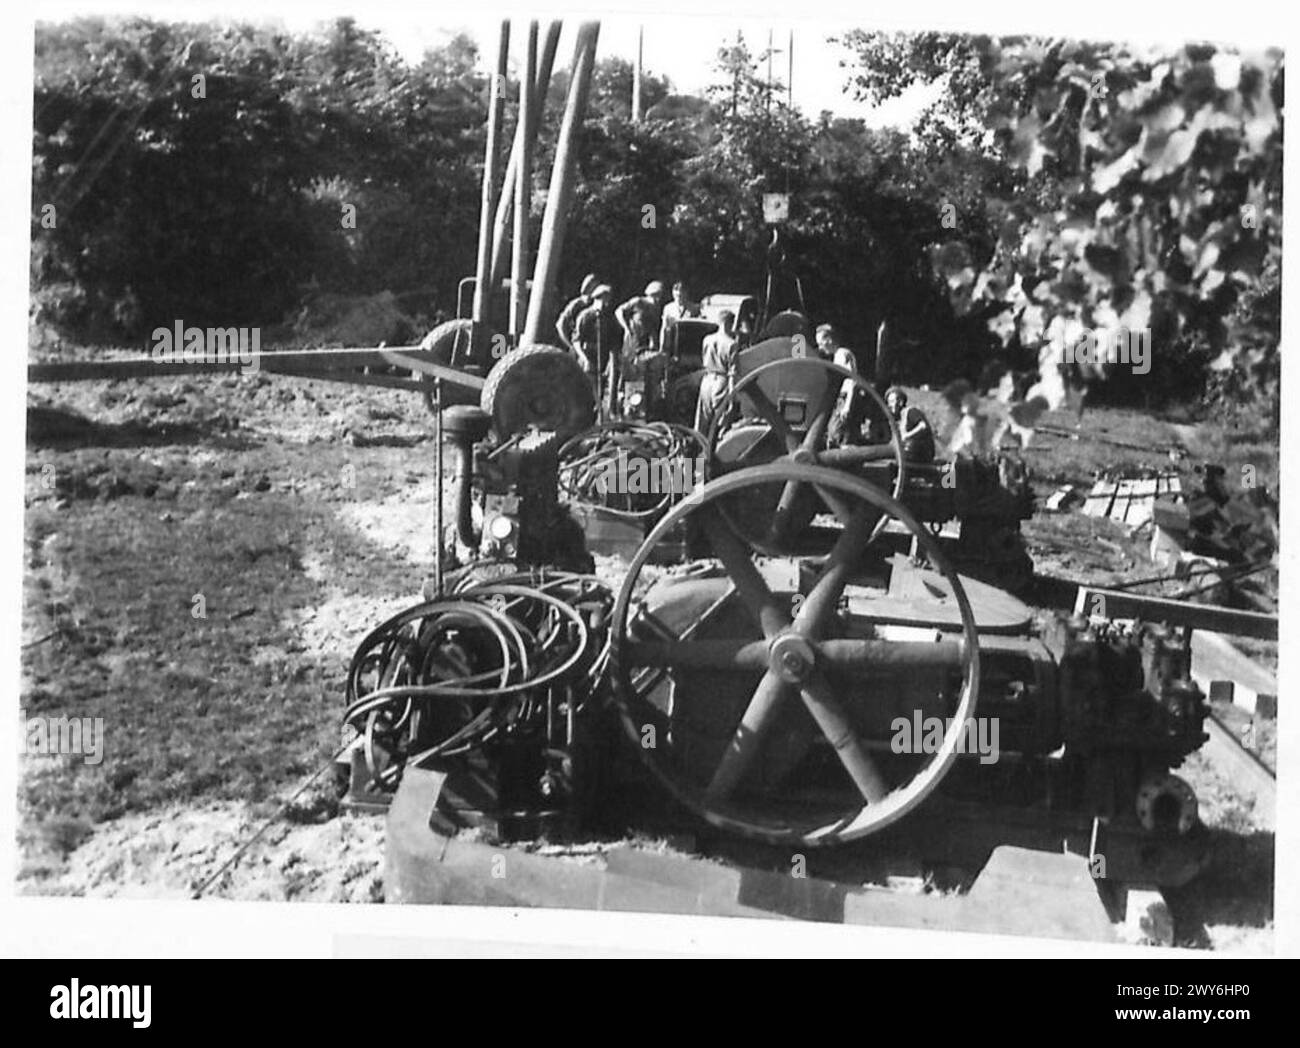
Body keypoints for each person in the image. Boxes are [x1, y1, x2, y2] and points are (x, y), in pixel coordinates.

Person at [574, 285, 623, 419]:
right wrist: (584, 358)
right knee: (587, 395)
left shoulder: (608, 318)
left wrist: (613, 362)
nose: (605, 302)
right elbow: (576, 340)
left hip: (602, 361)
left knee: (599, 397)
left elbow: (614, 343)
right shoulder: (585, 316)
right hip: (588, 360)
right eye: (604, 298)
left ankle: (598, 421)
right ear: (597, 298)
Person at [816, 324, 865, 447]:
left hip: (846, 398)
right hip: (843, 399)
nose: (820, 348)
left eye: (821, 343)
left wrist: (847, 405)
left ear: (829, 340)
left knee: (838, 433)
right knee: (835, 433)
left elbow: (852, 381)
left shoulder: (842, 354)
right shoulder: (838, 356)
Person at [695, 310, 740, 436]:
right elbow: (733, 374)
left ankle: (699, 450)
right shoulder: (732, 344)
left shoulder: (707, 340)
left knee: (703, 421)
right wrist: (732, 399)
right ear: (729, 323)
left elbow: (703, 360)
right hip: (721, 382)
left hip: (707, 381)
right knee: (721, 422)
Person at [885, 387, 936, 463]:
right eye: (888, 402)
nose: (890, 405)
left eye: (892, 401)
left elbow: (923, 426)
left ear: (901, 402)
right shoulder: (897, 419)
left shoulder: (911, 412)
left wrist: (907, 435)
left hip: (920, 452)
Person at [616, 281, 667, 356]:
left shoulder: (656, 308)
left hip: (646, 343)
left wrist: (653, 342)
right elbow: (619, 311)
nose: (658, 299)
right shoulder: (638, 301)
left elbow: (653, 327)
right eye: (657, 295)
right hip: (633, 338)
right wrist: (626, 328)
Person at [555, 273, 599, 353]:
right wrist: (570, 345)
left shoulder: (596, 305)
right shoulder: (576, 305)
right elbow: (560, 324)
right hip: (577, 348)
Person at [659, 281, 698, 358]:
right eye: (677, 296)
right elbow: (664, 328)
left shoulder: (693, 308)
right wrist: (662, 347)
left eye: (681, 296)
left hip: (687, 342)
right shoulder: (668, 308)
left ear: (686, 294)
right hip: (671, 341)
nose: (679, 299)